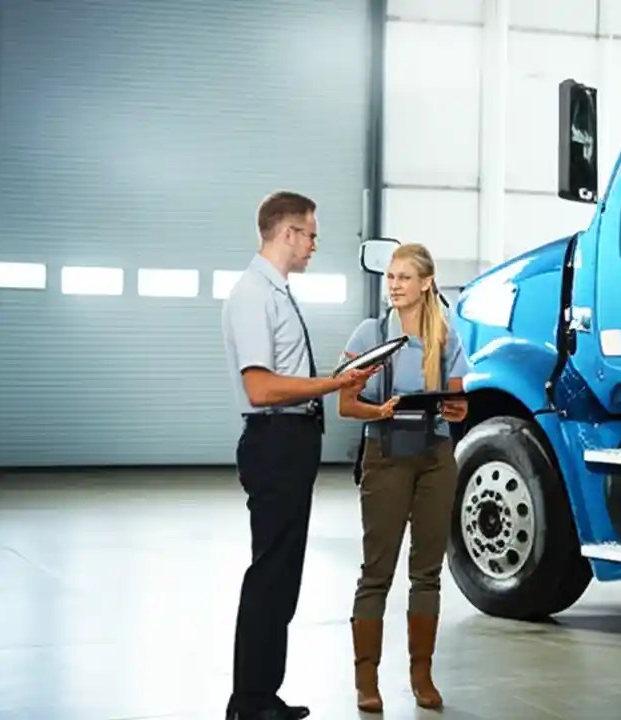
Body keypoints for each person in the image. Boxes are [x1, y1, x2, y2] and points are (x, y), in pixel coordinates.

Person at [221, 191, 379, 720]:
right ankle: (248, 703)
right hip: (275, 441)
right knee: (270, 574)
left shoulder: (277, 292)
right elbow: (261, 388)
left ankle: (263, 695)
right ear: (286, 233)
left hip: (291, 440)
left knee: (282, 574)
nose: (314, 244)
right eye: (310, 233)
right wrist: (334, 383)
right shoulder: (253, 295)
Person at [337, 242, 469, 712]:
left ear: (426, 283)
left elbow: (459, 401)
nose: (394, 285)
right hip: (385, 452)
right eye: (391, 277)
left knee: (427, 572)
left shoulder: (446, 337)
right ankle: (366, 680)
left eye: (404, 278)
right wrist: (382, 409)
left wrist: (456, 407)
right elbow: (345, 402)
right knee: (377, 572)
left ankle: (422, 675)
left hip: (435, 454)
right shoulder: (371, 333)